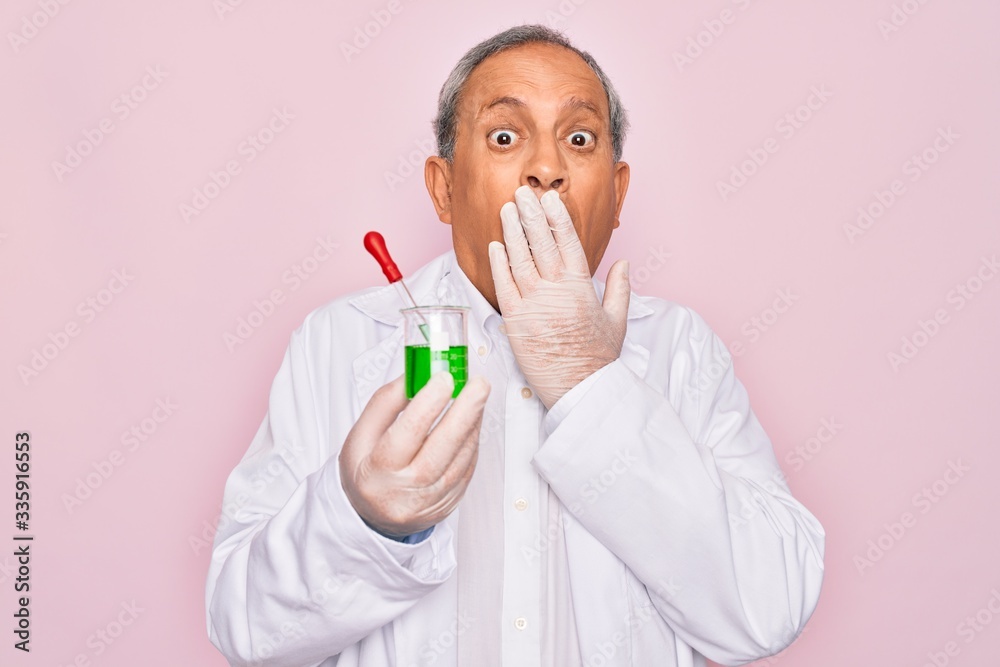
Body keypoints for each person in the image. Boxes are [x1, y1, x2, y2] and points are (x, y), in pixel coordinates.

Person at [205, 23, 825, 667]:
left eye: (578, 139)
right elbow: (248, 630)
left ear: (618, 195)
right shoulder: (338, 343)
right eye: (505, 136)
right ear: (444, 189)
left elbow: (768, 609)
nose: (547, 169)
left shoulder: (680, 348)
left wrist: (590, 382)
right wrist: (366, 523)